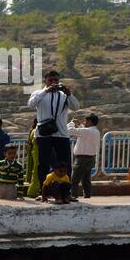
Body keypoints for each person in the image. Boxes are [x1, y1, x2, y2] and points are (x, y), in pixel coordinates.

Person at [27, 69, 80, 197]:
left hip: (61, 134)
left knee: (66, 163)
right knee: (43, 164)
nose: (53, 82)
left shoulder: (63, 95)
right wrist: (46, 91)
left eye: (56, 80)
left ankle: (66, 192)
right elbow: (30, 104)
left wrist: (69, 94)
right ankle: (43, 191)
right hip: (43, 134)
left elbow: (76, 107)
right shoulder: (39, 93)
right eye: (50, 80)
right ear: (45, 80)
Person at [67, 113, 101, 199]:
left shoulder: (87, 131)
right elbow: (84, 132)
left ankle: (73, 196)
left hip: (81, 159)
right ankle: (87, 196)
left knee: (74, 180)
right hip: (90, 158)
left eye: (85, 121)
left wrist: (72, 123)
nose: (84, 122)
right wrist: (80, 125)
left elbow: (69, 131)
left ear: (89, 122)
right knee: (86, 180)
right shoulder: (96, 131)